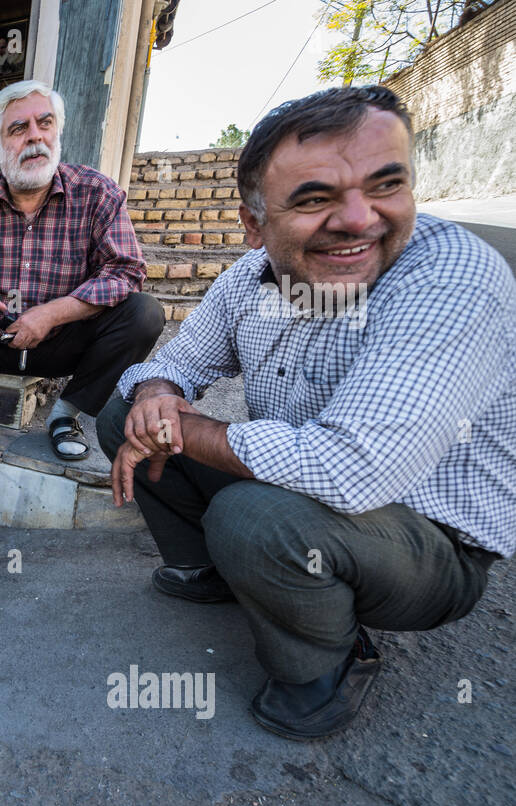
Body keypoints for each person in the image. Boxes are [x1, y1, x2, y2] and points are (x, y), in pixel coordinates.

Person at [98, 86, 516, 740]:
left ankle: (329, 662)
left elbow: (349, 471)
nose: (359, 219)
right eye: (315, 197)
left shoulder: (448, 279)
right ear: (255, 226)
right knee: (126, 408)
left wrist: (184, 427)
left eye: (386, 184)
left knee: (253, 517)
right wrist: (156, 397)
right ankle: (213, 569)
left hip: (431, 540)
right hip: (307, 478)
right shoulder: (250, 277)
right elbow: (178, 362)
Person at [0, 79, 165, 461]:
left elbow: (125, 271)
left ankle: (66, 414)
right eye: (19, 129)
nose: (35, 137)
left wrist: (54, 312)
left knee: (144, 312)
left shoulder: (96, 192)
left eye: (45, 123)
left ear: (57, 134)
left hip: (63, 341)